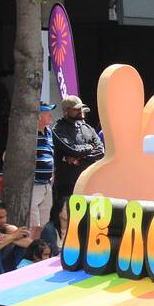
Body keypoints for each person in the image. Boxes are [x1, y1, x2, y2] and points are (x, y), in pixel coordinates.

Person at [50, 94, 104, 225]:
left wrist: (81, 156)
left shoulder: (87, 128)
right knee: (66, 221)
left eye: (81, 108)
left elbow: (101, 151)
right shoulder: (58, 129)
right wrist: (89, 149)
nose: (80, 111)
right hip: (67, 186)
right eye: (76, 109)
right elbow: (72, 150)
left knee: (87, 222)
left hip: (88, 183)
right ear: (66, 110)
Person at [31, 102, 55, 231]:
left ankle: (43, 250)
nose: (51, 115)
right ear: (39, 116)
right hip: (34, 185)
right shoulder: (30, 133)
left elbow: (51, 155)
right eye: (47, 112)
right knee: (34, 225)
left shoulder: (49, 132)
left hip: (47, 185)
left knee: (45, 225)